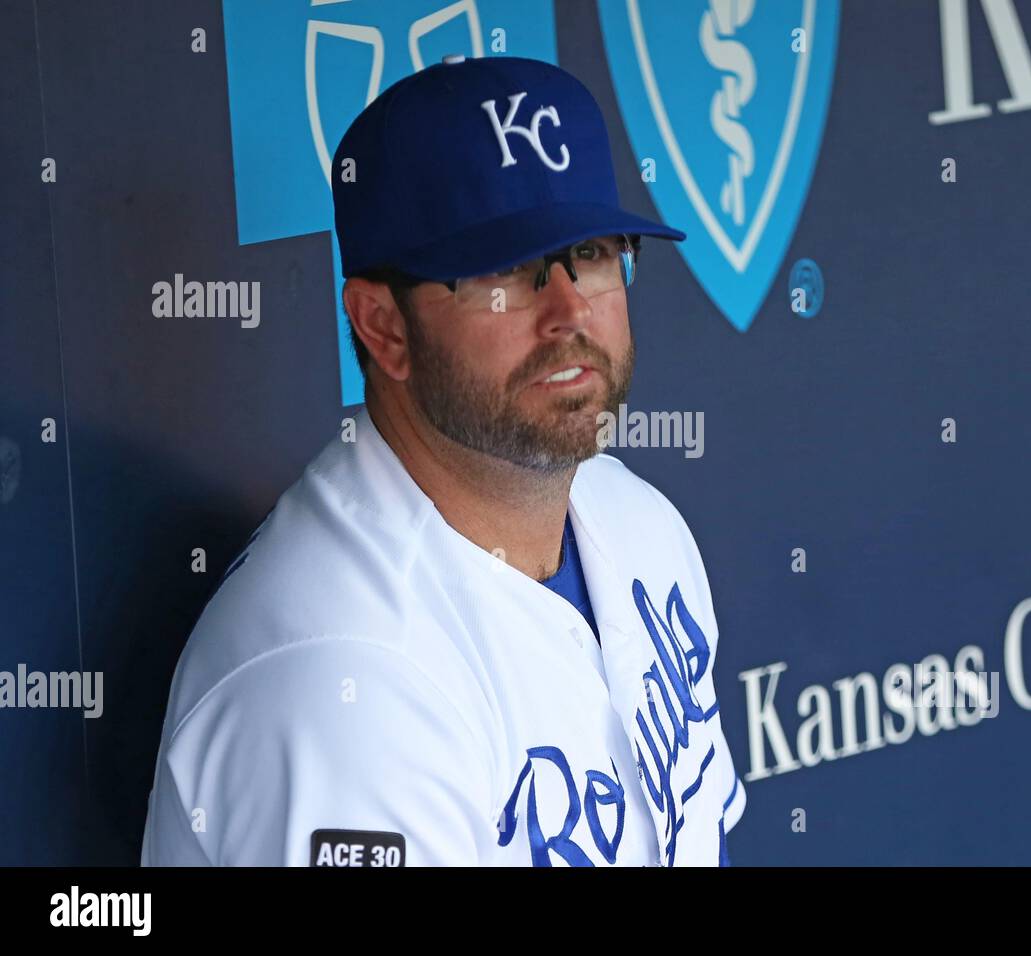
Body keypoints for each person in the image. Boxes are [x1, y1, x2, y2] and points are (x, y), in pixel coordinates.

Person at [141, 55, 745, 867]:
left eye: (593, 250)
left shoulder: (636, 522)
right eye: (506, 270)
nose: (569, 309)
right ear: (383, 326)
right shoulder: (340, 683)